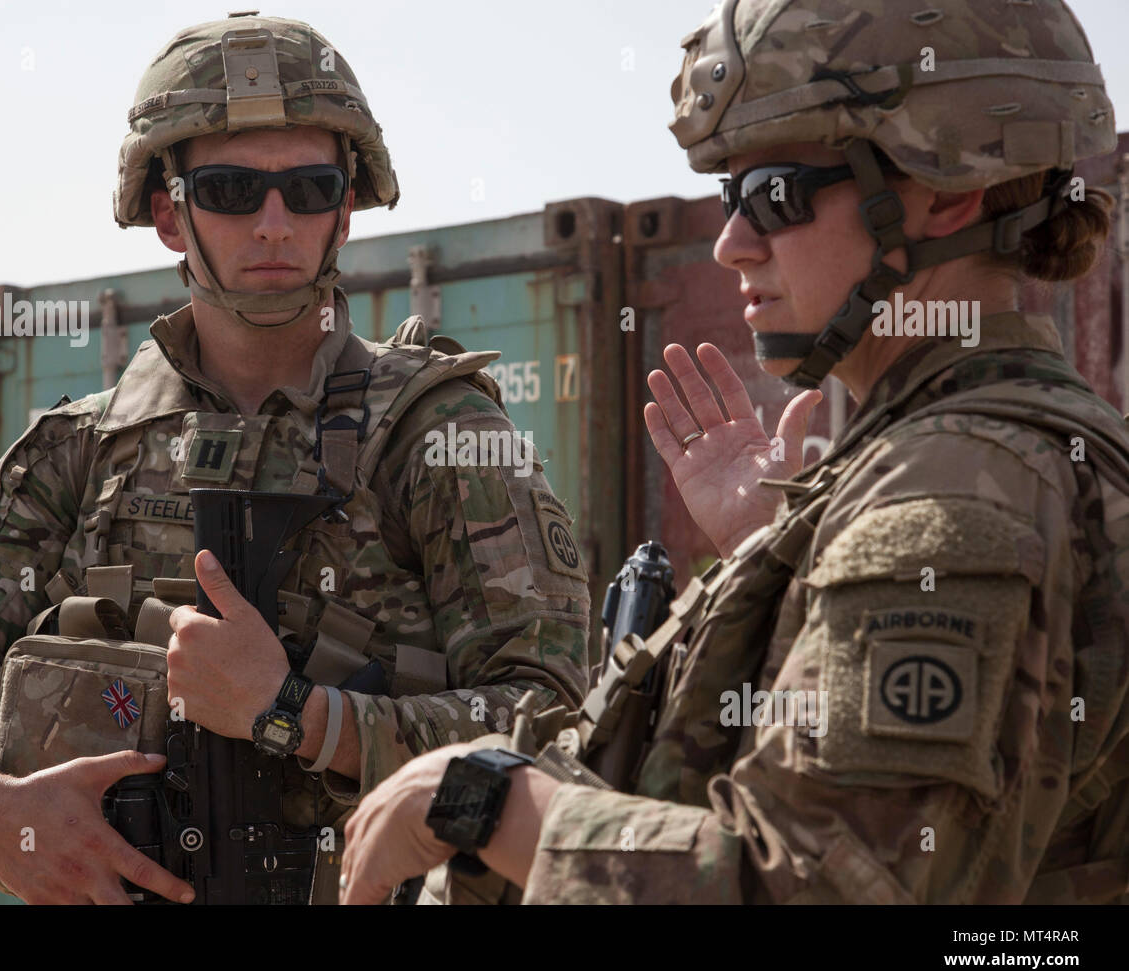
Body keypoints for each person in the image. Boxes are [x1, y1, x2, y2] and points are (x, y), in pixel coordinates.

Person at [339, 0, 1129, 904]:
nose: (731, 242)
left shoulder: (953, 489)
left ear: (945, 188)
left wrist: (485, 804)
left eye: (777, 196)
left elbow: (807, 889)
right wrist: (779, 563)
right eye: (729, 198)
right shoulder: (963, 456)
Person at [0, 13, 588, 905]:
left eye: (311, 188)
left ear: (347, 211)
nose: (276, 225)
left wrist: (303, 718)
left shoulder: (435, 438)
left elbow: (554, 727)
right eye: (232, 190)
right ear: (170, 215)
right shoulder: (80, 454)